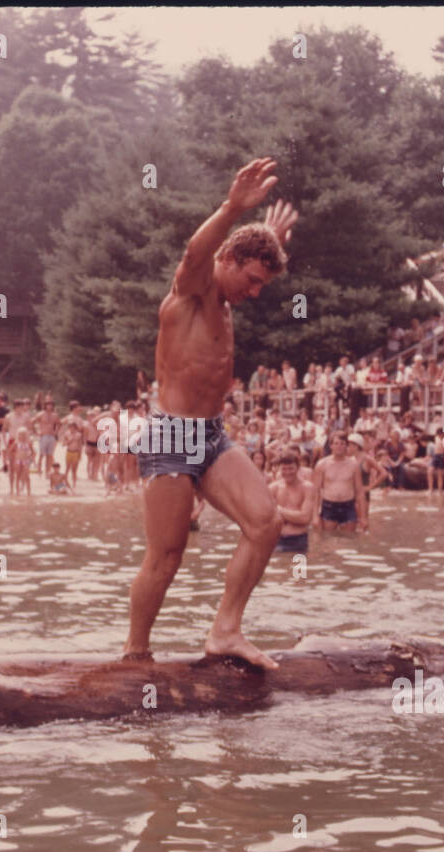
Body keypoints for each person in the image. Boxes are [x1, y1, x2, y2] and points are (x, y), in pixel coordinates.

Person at [124, 157, 298, 670]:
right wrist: (231, 207)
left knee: (266, 523)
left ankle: (225, 631)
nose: (255, 292)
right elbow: (196, 252)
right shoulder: (192, 293)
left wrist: (267, 236)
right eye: (251, 280)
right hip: (168, 436)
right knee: (166, 557)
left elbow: (238, 253)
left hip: (210, 437)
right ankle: (135, 656)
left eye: (262, 284)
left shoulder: (224, 298)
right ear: (225, 260)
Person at [269, 447, 317, 553]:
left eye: (291, 468)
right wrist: (295, 516)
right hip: (276, 540)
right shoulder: (273, 488)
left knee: (298, 570)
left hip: (298, 540)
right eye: (284, 469)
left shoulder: (307, 488)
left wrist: (279, 510)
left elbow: (305, 518)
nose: (287, 472)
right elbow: (266, 517)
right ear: (279, 469)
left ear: (298, 468)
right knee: (276, 569)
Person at [313, 431, 362, 532]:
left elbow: (360, 492)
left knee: (350, 540)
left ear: (346, 446)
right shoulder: (322, 464)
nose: (339, 446)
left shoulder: (354, 465)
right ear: (331, 446)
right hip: (329, 506)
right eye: (336, 443)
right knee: (328, 540)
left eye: (342, 443)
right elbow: (316, 492)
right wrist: (315, 516)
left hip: (348, 506)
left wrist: (363, 517)